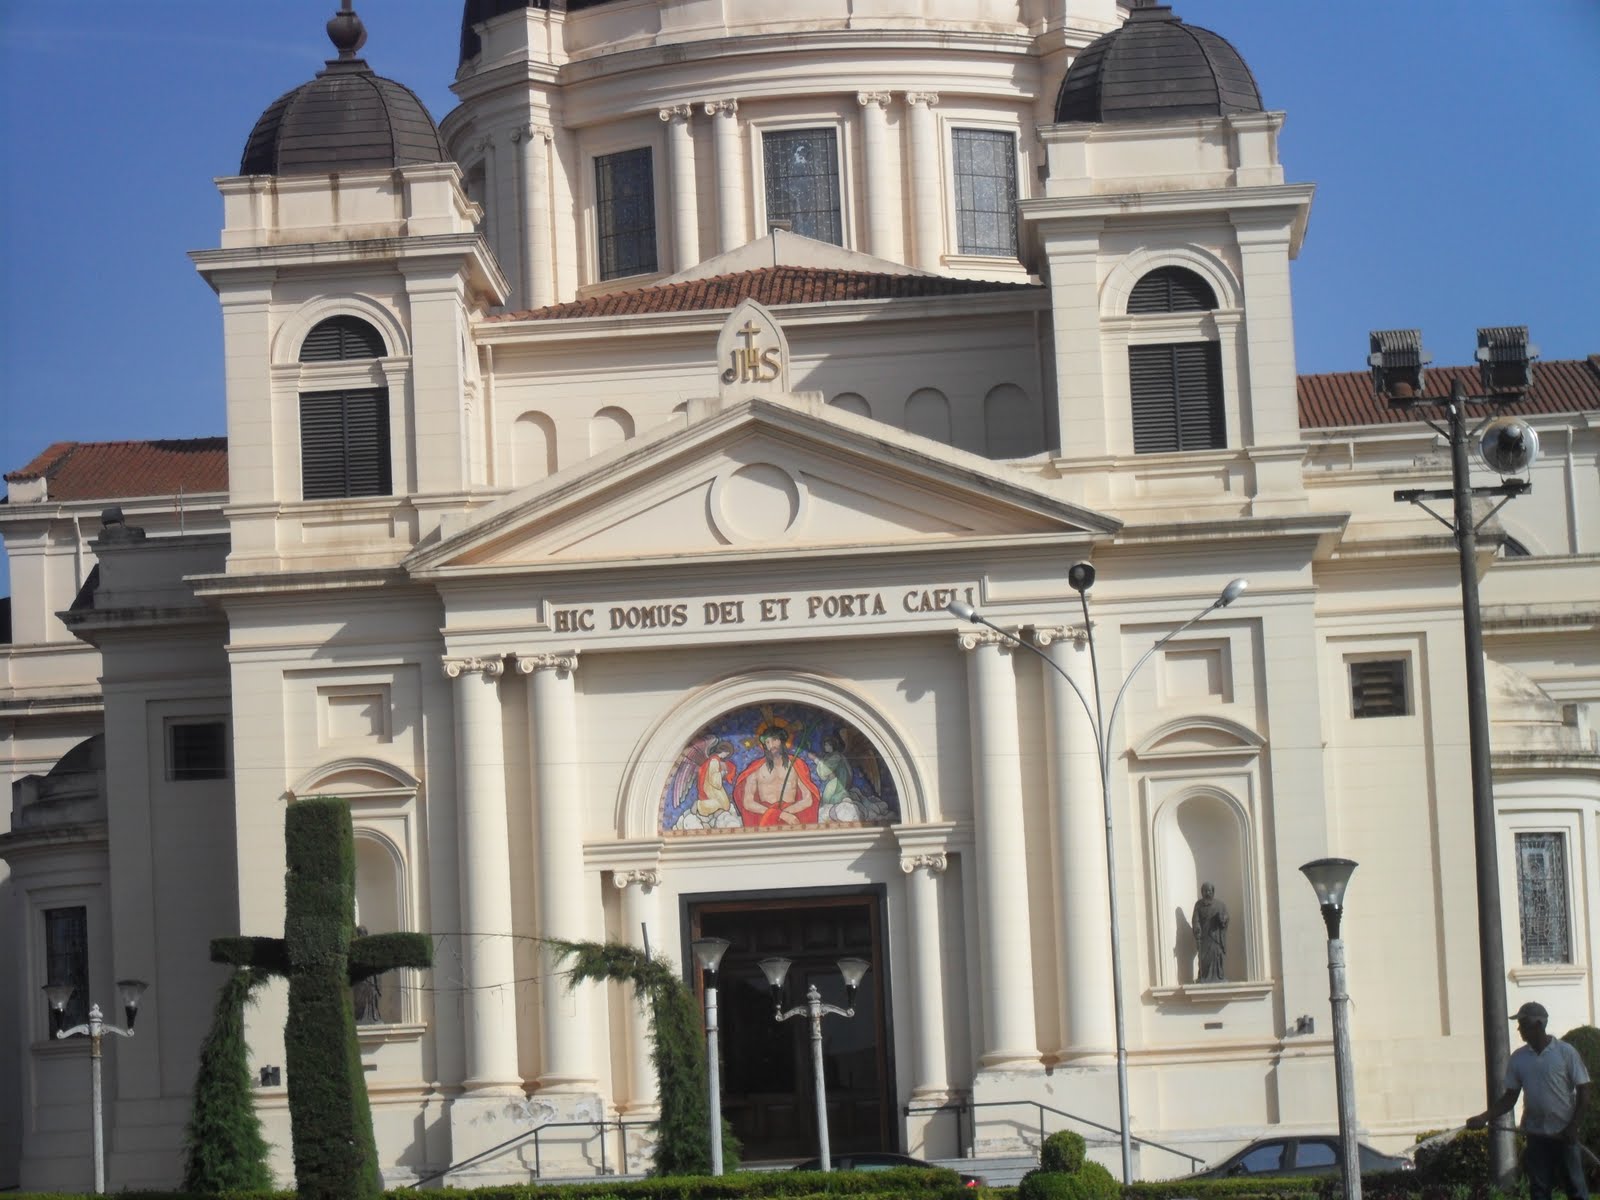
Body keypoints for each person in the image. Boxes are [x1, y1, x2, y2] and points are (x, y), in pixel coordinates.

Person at [1467, 1000, 1591, 1200]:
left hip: (1565, 1134)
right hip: (1536, 1135)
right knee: (1539, 1191)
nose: (1519, 1029)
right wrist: (1484, 1117)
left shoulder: (1565, 1053)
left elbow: (1584, 1091)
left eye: (1524, 1024)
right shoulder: (1519, 1059)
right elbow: (1510, 1098)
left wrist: (1573, 1126)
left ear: (1539, 1025)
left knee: (1575, 1189)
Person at [734, 725, 819, 827]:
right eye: (767, 742)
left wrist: (787, 812)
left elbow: (808, 799)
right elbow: (748, 802)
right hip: (765, 817)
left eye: (774, 740)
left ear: (782, 741)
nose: (771, 745)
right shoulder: (756, 769)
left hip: (792, 817)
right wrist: (780, 814)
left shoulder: (796, 766)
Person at [1191, 882, 1229, 983]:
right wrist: (1197, 928)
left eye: (1209, 891)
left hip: (1216, 938)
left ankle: (1218, 976)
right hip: (1204, 939)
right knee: (1204, 959)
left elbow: (1225, 918)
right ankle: (1204, 976)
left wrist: (1222, 920)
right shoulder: (1198, 905)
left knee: (1216, 956)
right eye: (1205, 891)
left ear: (1213, 892)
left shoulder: (1220, 905)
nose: (1207, 893)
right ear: (1202, 892)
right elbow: (1195, 920)